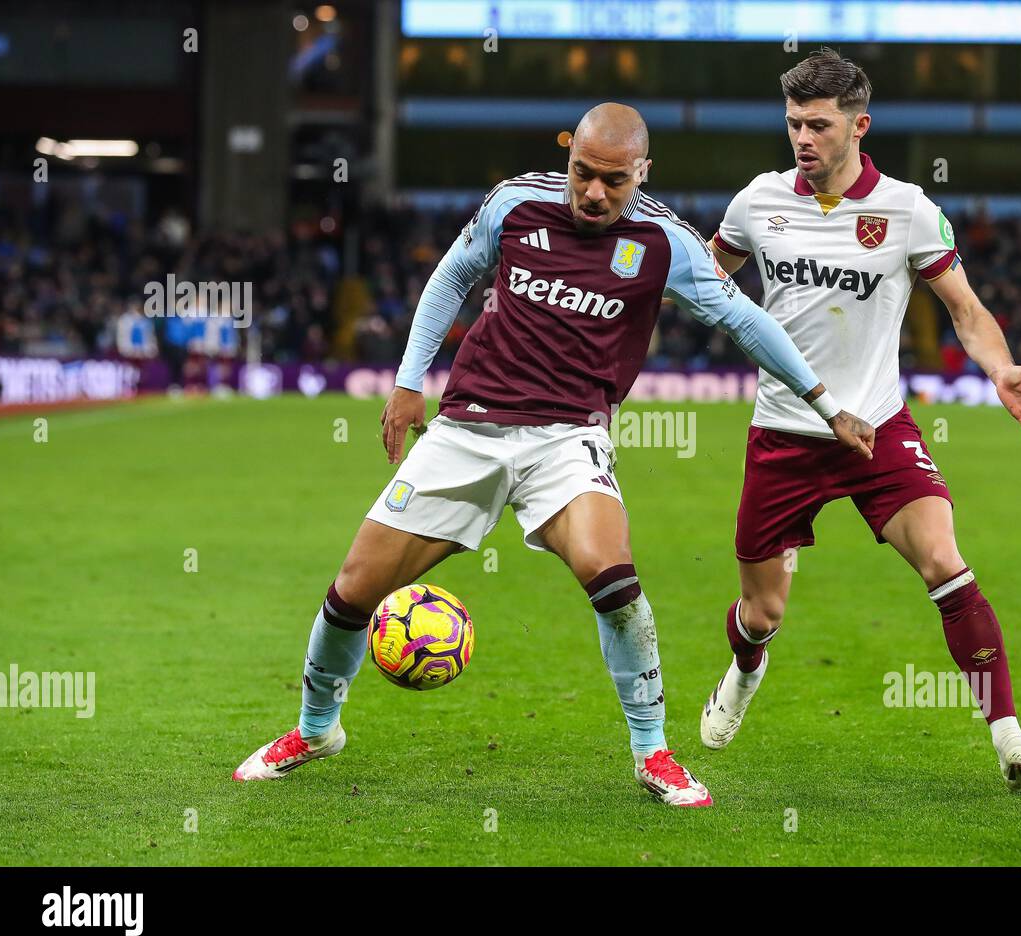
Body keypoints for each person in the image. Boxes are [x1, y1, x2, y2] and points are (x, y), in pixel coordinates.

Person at [233, 103, 875, 806]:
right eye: (582, 173)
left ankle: (652, 752)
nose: (594, 193)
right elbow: (451, 278)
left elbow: (745, 320)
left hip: (569, 438)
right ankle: (316, 728)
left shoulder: (666, 242)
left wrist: (826, 403)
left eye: (613, 180)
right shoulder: (515, 203)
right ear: (567, 155)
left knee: (614, 577)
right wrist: (409, 380)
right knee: (354, 589)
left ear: (643, 172)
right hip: (467, 430)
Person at [700, 50, 1021, 792]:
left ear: (859, 126)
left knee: (945, 563)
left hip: (877, 429)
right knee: (762, 610)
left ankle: (1012, 742)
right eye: (793, 124)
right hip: (782, 435)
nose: (802, 139)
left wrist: (1000, 369)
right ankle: (746, 668)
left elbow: (965, 311)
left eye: (818, 125)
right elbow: (708, 278)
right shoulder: (757, 202)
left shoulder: (906, 210)